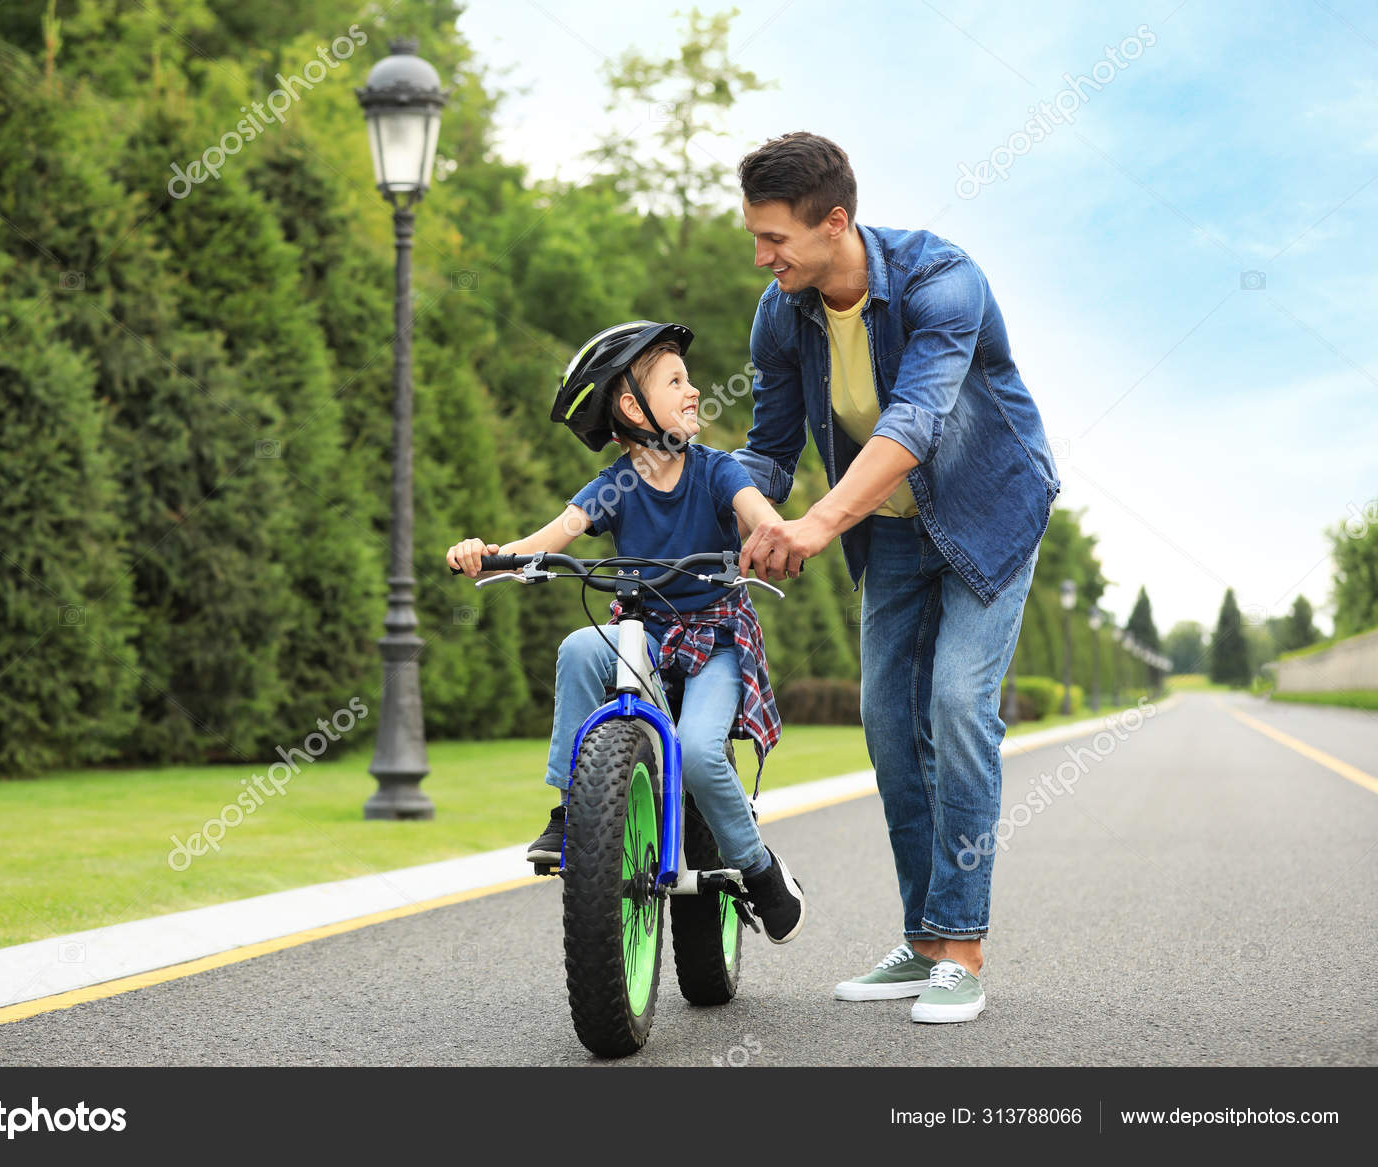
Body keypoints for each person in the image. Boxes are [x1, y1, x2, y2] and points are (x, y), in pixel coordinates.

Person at [730, 133, 1060, 1019]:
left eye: (776, 240)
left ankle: (964, 947)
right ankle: (921, 941)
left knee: (957, 704)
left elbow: (916, 421)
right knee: (885, 718)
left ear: (835, 222)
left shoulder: (943, 280)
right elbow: (767, 450)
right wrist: (730, 512)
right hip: (893, 531)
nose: (763, 258)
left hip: (989, 512)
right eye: (755, 238)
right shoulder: (782, 312)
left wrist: (817, 521)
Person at [445, 320, 806, 942]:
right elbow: (548, 540)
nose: (693, 392)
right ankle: (567, 811)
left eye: (688, 380)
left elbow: (760, 517)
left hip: (716, 638)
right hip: (644, 631)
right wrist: (490, 552)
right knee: (582, 645)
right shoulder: (615, 484)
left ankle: (757, 867)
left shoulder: (718, 471)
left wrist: (779, 538)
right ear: (635, 408)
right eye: (676, 381)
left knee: (696, 752)